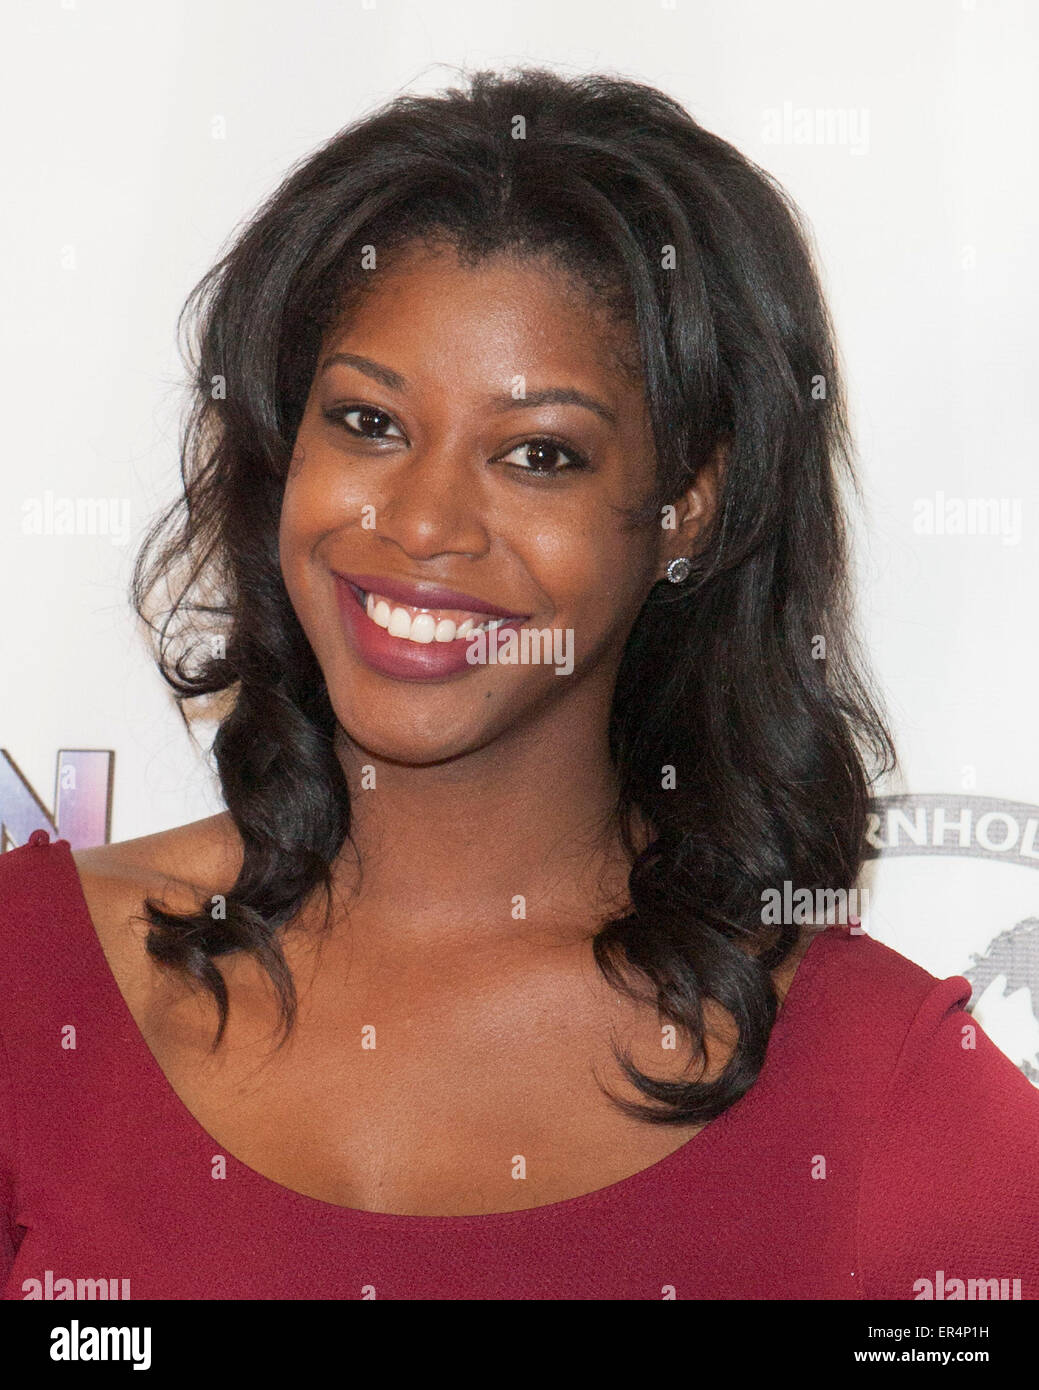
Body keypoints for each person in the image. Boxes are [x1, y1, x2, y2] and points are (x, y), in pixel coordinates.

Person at [2, 66, 1037, 1301]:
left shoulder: (885, 1098)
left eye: (538, 452)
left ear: (685, 510)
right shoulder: (31, 978)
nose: (424, 521)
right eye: (368, 423)